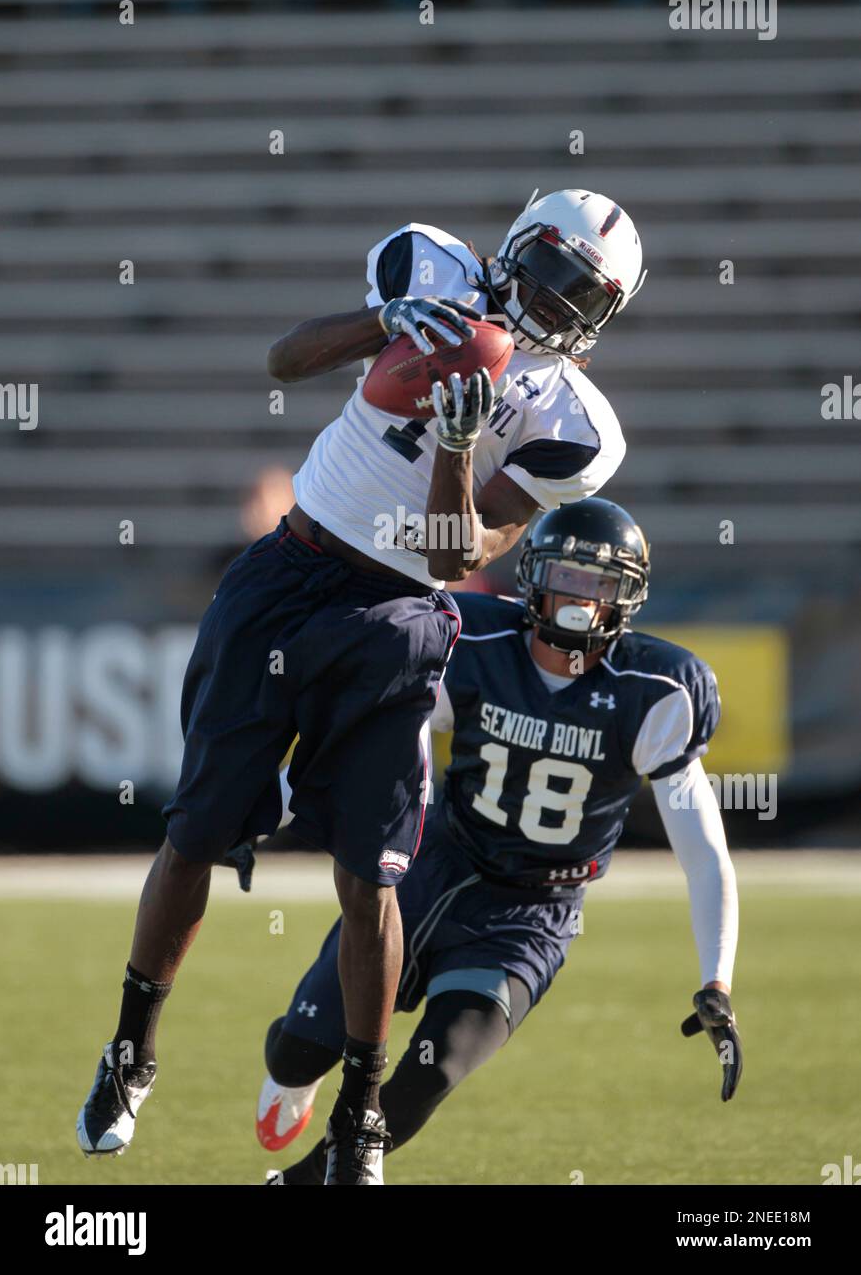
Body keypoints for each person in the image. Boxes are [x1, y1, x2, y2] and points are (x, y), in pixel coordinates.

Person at [77, 190, 645, 1185]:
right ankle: (131, 1050)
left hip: (399, 612)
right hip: (287, 574)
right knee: (197, 831)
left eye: (575, 297)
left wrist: (462, 443)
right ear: (515, 251)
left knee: (369, 875)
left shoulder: (574, 423)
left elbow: (451, 548)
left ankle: (361, 1114)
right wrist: (386, 323)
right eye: (547, 275)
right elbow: (284, 361)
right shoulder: (429, 265)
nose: (548, 304)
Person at [259, 499, 741, 1185]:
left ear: (625, 595)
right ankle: (294, 1078)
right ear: (534, 579)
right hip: (433, 865)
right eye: (567, 578)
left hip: (531, 913)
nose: (579, 599)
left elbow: (704, 855)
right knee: (298, 1050)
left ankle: (310, 1182)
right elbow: (397, 722)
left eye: (598, 583)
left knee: (437, 1064)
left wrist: (716, 980)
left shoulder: (656, 690)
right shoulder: (475, 639)